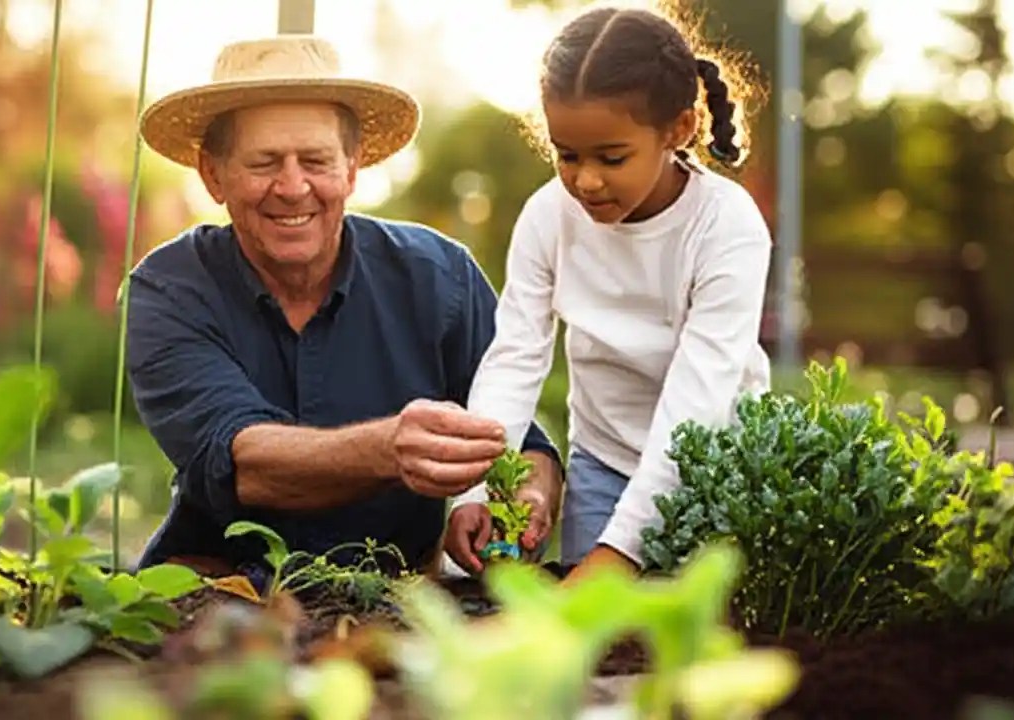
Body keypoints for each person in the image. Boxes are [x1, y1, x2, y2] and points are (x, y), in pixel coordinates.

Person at [125, 34, 563, 585]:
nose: (292, 187)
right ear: (214, 175)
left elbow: (525, 442)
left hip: (398, 600)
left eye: (316, 160)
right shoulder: (170, 290)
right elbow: (243, 464)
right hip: (214, 594)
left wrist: (523, 498)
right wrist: (389, 449)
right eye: (264, 163)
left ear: (352, 170)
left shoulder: (440, 278)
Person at [443, 5, 773, 581]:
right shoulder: (549, 215)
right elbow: (515, 357)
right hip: (602, 463)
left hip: (715, 466)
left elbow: (697, 405)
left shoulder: (726, 226)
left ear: (679, 129)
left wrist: (618, 551)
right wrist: (475, 489)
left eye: (612, 157)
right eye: (566, 155)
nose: (585, 180)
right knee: (597, 643)